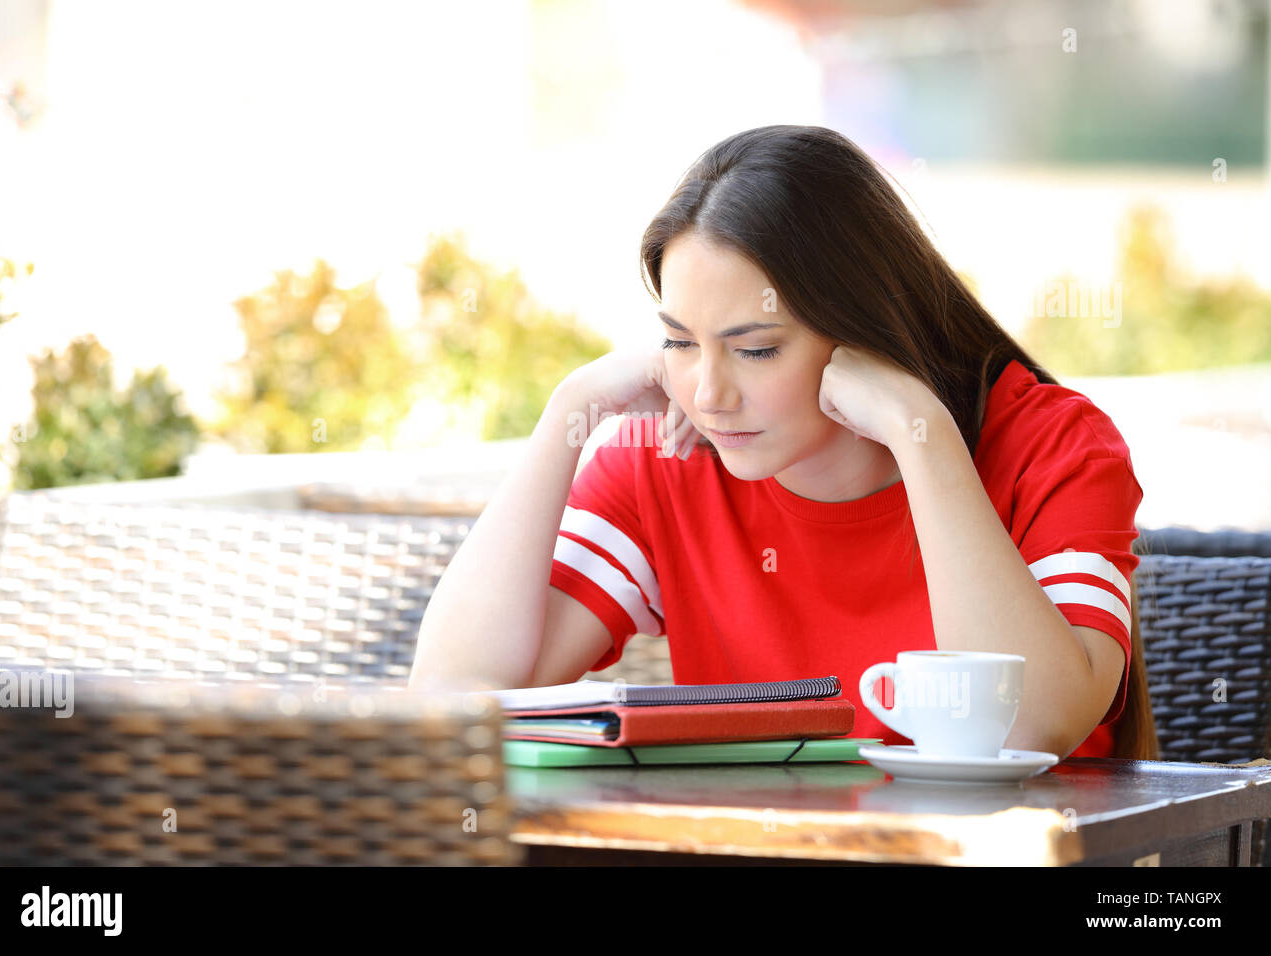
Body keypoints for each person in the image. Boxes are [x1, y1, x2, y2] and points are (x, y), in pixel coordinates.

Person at [409, 124, 1157, 761]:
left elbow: (1031, 725)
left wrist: (917, 433)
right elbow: (455, 698)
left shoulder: (1051, 446)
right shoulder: (668, 459)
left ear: (862, 324)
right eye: (678, 341)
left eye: (756, 349)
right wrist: (568, 414)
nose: (708, 394)